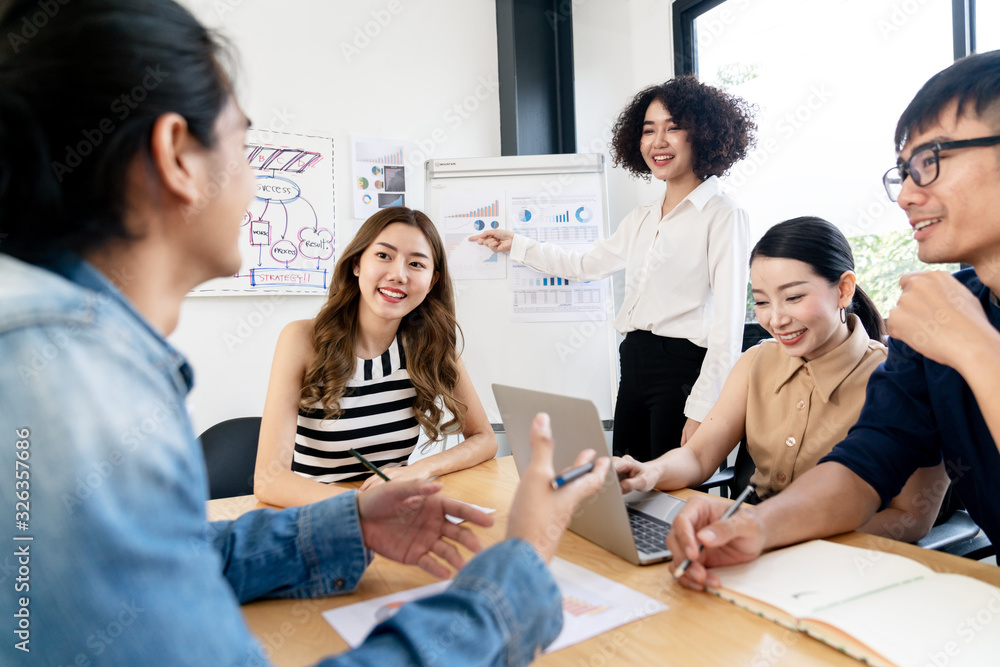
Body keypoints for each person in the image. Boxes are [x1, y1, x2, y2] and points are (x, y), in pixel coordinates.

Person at [0, 1, 610, 664]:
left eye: (417, 263)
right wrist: (511, 582)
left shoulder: (60, 351)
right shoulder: (71, 391)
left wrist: (348, 523)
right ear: (177, 155)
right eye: (243, 143)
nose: (256, 179)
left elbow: (160, 557)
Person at [665, 50, 1000, 591]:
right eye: (904, 171)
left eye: (932, 161)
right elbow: (864, 467)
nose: (909, 195)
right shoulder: (934, 321)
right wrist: (755, 525)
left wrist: (975, 347)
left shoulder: (951, 322)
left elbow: (911, 516)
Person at [470, 77, 757, 461]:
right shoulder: (642, 218)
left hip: (683, 371)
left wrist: (703, 408)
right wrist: (518, 245)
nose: (658, 141)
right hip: (635, 362)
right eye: (648, 130)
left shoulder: (723, 214)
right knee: (627, 483)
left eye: (673, 128)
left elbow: (728, 326)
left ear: (703, 134)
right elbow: (586, 265)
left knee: (670, 491)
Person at [615, 217, 947, 541]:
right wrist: (650, 472)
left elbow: (911, 517)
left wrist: (783, 534)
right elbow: (698, 456)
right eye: (760, 301)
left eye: (794, 298)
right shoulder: (756, 362)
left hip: (837, 551)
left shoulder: (896, 378)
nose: (775, 319)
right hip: (750, 538)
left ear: (844, 290)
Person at [254, 206, 497, 508]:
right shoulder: (303, 339)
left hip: (392, 515)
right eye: (383, 256)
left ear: (432, 281)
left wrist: (420, 470)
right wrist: (364, 505)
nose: (398, 274)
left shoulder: (431, 342)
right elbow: (269, 479)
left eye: (416, 264)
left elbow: (484, 438)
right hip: (318, 515)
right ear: (357, 263)